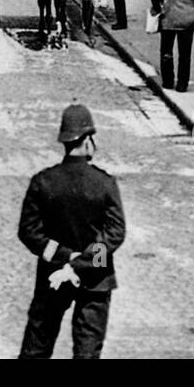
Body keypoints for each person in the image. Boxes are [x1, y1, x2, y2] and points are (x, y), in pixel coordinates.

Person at [17, 104, 125, 360]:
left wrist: (65, 258)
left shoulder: (43, 182)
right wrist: (83, 263)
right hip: (96, 278)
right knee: (87, 353)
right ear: (87, 141)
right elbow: (115, 234)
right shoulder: (105, 184)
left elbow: (29, 232)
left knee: (36, 348)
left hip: (53, 275)